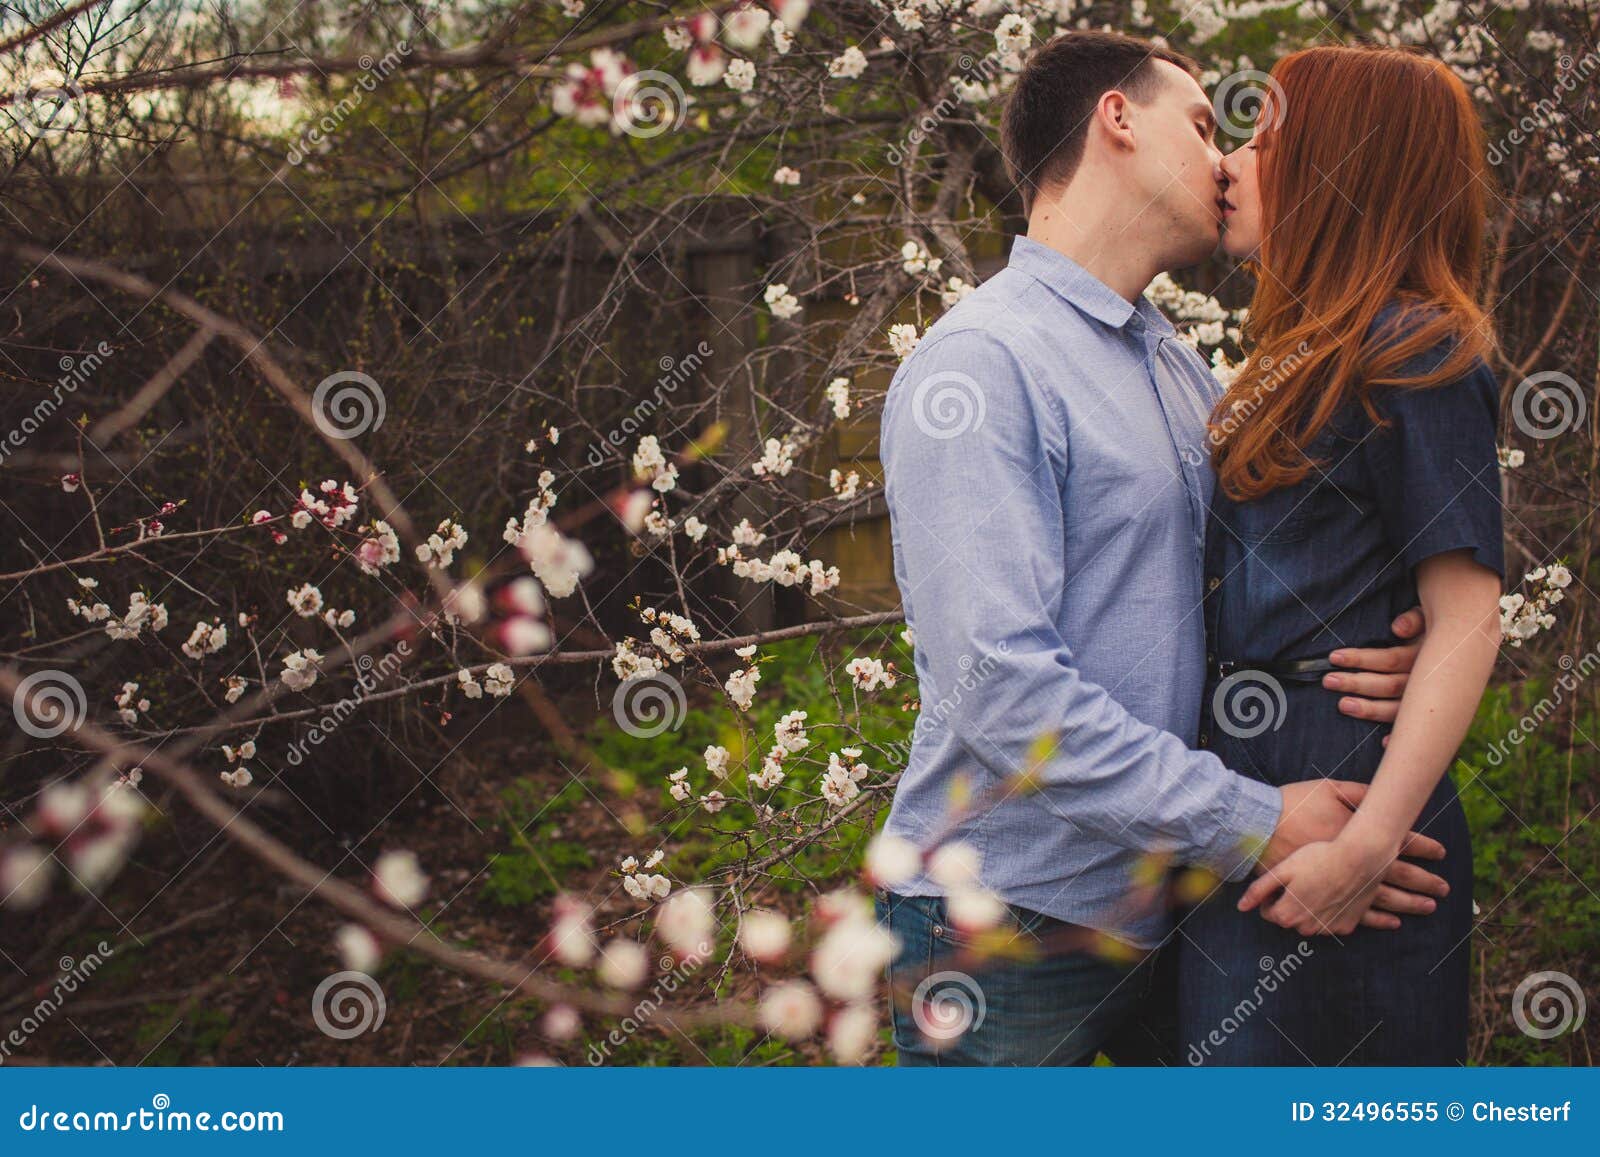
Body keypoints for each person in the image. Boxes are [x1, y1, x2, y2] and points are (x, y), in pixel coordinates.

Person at [873, 31, 1452, 1067]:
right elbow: (998, 688)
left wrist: (1376, 643)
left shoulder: (1185, 375)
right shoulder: (983, 363)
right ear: (1117, 120)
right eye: (1201, 123)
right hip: (1005, 914)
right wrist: (1254, 818)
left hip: (1178, 909)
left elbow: (1246, 588)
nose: (1226, 159)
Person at [1176, 44, 1504, 1065]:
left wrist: (1367, 846)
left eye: (1259, 140)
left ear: (1332, 171)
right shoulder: (1290, 356)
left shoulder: (1413, 349)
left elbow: (1467, 616)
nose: (1227, 162)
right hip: (1251, 789)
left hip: (1350, 797)